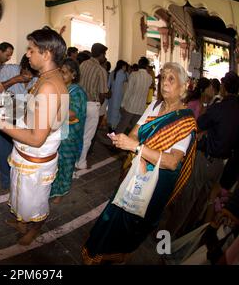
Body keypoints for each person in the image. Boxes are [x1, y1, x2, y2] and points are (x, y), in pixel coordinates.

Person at [82, 62, 197, 264]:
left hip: (159, 180)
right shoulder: (154, 106)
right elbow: (135, 133)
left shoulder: (185, 121)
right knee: (117, 211)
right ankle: (101, 250)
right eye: (163, 77)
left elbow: (171, 162)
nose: (164, 83)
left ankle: (122, 253)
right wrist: (124, 141)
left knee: (138, 221)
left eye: (172, 79)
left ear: (184, 87)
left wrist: (136, 148)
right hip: (137, 169)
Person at [0, 28, 69, 245]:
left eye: (31, 50)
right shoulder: (46, 78)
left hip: (36, 156)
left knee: (35, 201)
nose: (28, 54)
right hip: (26, 156)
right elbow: (34, 113)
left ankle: (35, 228)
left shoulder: (49, 86)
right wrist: (3, 92)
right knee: (22, 197)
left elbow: (36, 138)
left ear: (47, 53)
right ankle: (22, 222)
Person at [164, 71, 239, 237]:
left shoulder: (219, 107)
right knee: (202, 201)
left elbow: (198, 124)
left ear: (224, 88)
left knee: (188, 197)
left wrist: (205, 110)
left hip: (206, 158)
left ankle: (168, 235)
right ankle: (184, 235)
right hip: (220, 165)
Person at [0, 55, 37, 191]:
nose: (29, 77)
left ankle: (18, 179)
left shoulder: (38, 77)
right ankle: (6, 181)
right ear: (23, 66)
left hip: (24, 119)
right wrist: (15, 80)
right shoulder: (9, 70)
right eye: (26, 72)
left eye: (33, 74)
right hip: (6, 117)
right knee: (4, 150)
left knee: (20, 151)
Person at [50, 59, 87, 204]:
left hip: (69, 135)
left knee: (65, 164)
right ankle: (52, 188)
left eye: (64, 73)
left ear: (73, 75)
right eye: (59, 71)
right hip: (56, 132)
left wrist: (52, 108)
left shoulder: (77, 92)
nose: (60, 75)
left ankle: (61, 192)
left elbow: (73, 113)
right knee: (54, 163)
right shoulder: (59, 88)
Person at [76, 43, 109, 170]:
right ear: (100, 55)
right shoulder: (101, 70)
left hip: (79, 103)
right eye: (104, 54)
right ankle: (81, 162)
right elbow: (103, 92)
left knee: (78, 133)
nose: (104, 57)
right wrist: (98, 104)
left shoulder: (83, 64)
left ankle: (74, 159)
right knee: (87, 136)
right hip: (92, 104)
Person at [115, 57, 153, 134]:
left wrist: (122, 104)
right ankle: (128, 144)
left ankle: (113, 143)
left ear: (139, 64)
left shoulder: (134, 74)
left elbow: (129, 91)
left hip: (130, 106)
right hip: (141, 108)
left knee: (121, 127)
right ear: (146, 66)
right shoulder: (149, 78)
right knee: (134, 130)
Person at [107, 60, 128, 131]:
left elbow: (108, 85)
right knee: (117, 111)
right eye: (125, 66)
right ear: (122, 66)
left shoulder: (112, 73)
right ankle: (114, 127)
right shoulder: (123, 74)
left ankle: (110, 126)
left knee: (111, 110)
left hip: (112, 96)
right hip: (119, 96)